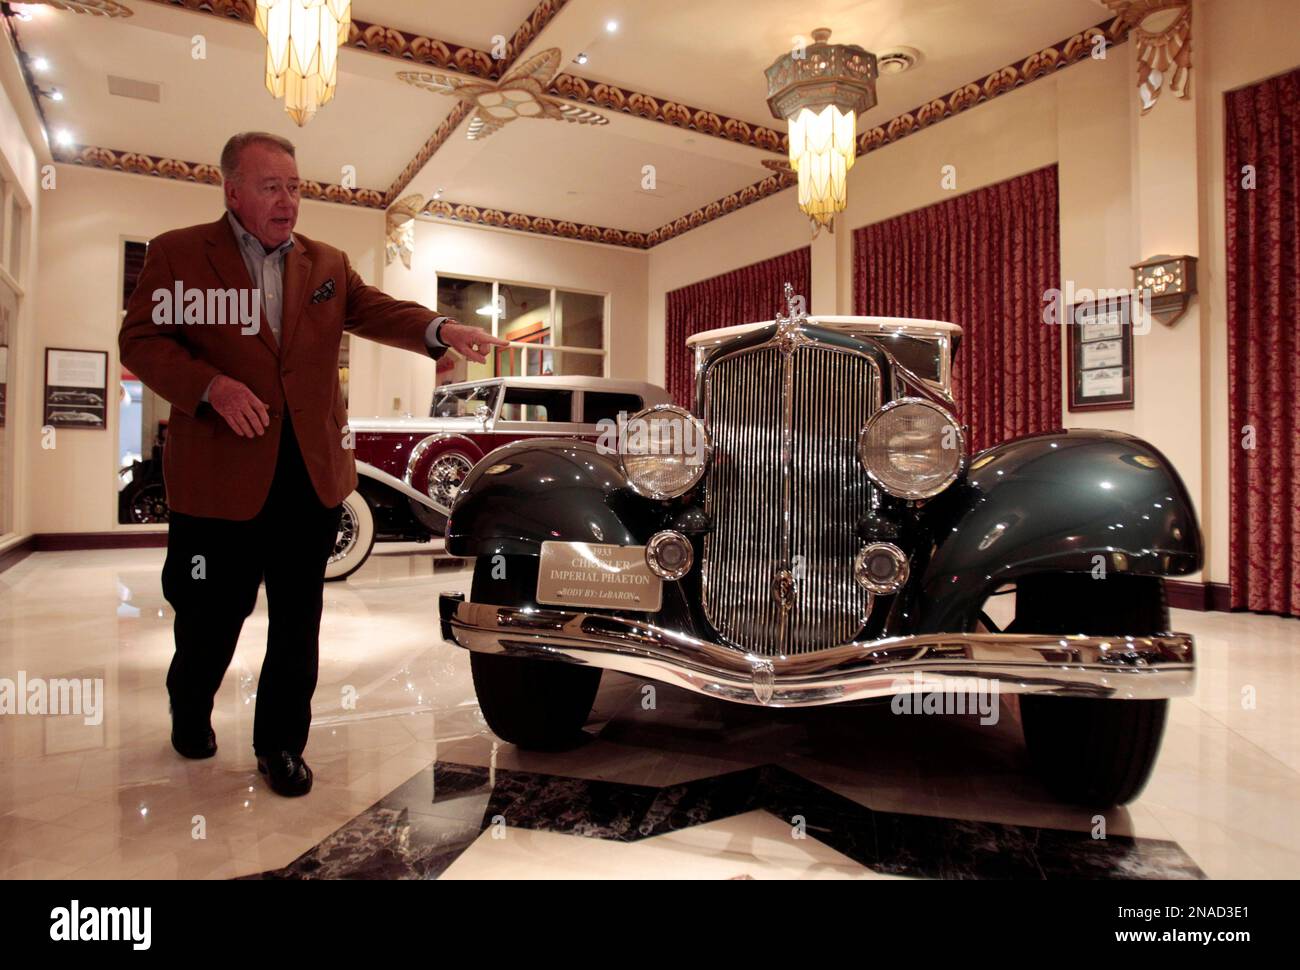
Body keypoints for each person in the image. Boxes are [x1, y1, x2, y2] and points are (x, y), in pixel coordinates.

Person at [119, 131, 506, 796]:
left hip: (308, 473)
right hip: (218, 480)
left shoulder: (325, 263)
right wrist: (210, 386)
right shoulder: (179, 254)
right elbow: (142, 340)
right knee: (211, 616)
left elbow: (376, 310)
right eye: (271, 186)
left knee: (299, 621)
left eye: (295, 186)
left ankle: (281, 745)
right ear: (232, 190)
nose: (288, 200)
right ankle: (191, 705)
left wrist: (440, 330)